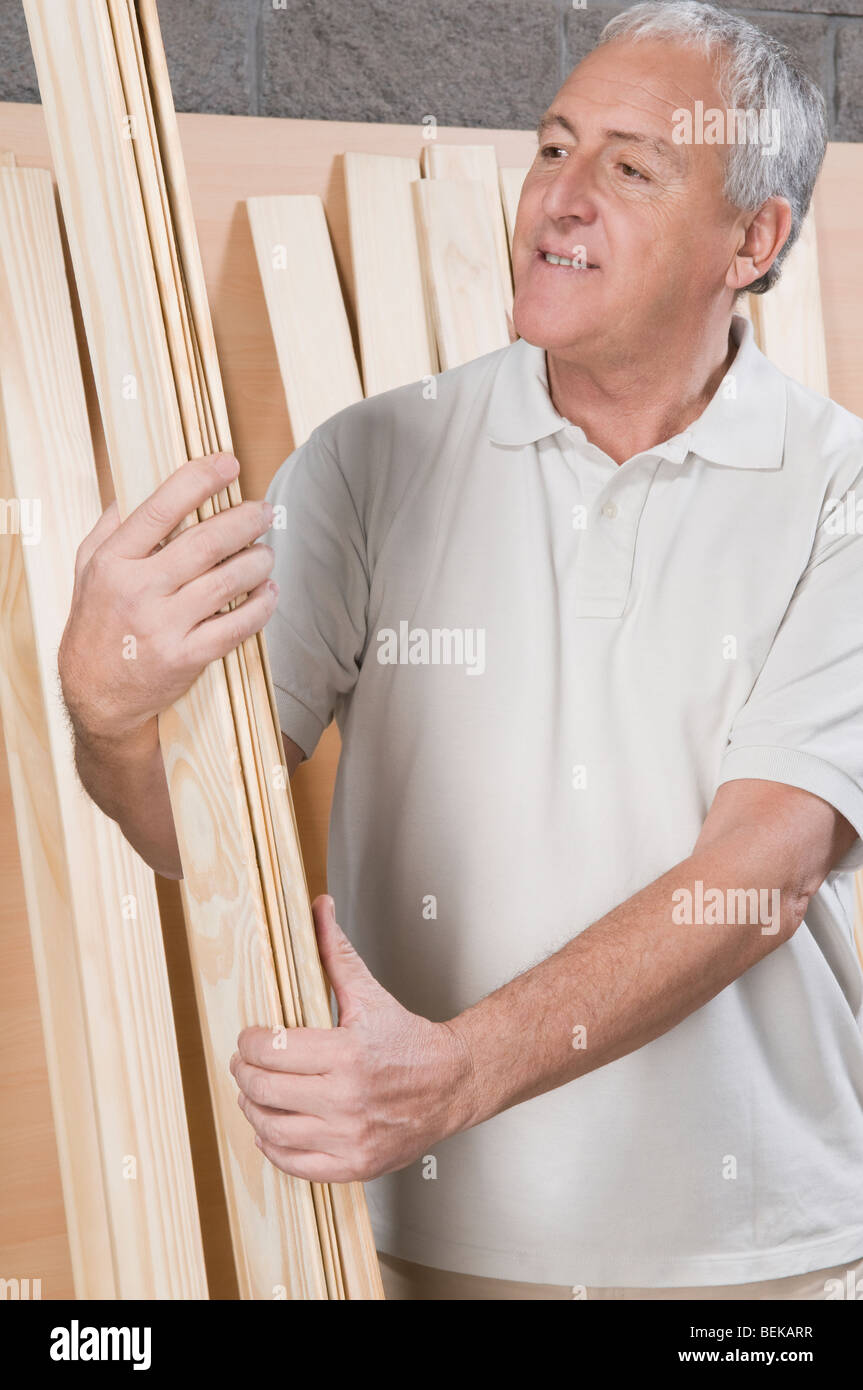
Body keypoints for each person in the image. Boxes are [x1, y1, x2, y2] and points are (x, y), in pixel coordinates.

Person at [60, 1, 863, 1300]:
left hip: (756, 1260)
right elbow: (209, 834)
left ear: (754, 239)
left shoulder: (842, 495)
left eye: (631, 166)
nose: (560, 197)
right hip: (428, 1247)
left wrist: (458, 1073)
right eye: (553, 148)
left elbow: (760, 870)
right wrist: (106, 720)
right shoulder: (373, 459)